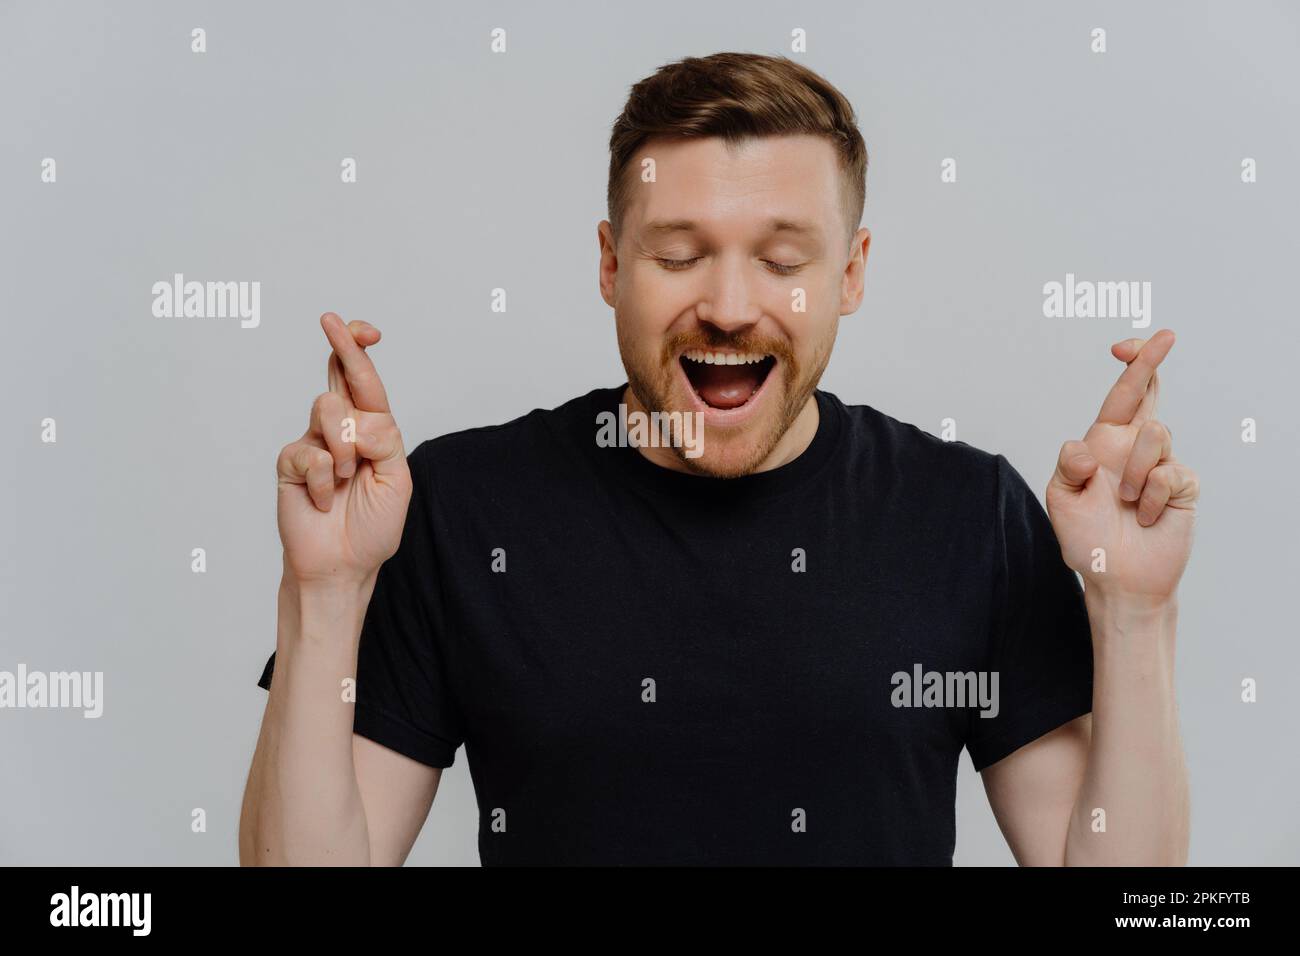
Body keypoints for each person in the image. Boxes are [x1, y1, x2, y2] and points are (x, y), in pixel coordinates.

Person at [238, 52, 1198, 866]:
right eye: (679, 254)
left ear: (850, 273)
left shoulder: (967, 514)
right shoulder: (459, 509)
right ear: (611, 265)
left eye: (783, 261)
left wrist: (1136, 613)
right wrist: (323, 594)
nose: (732, 305)